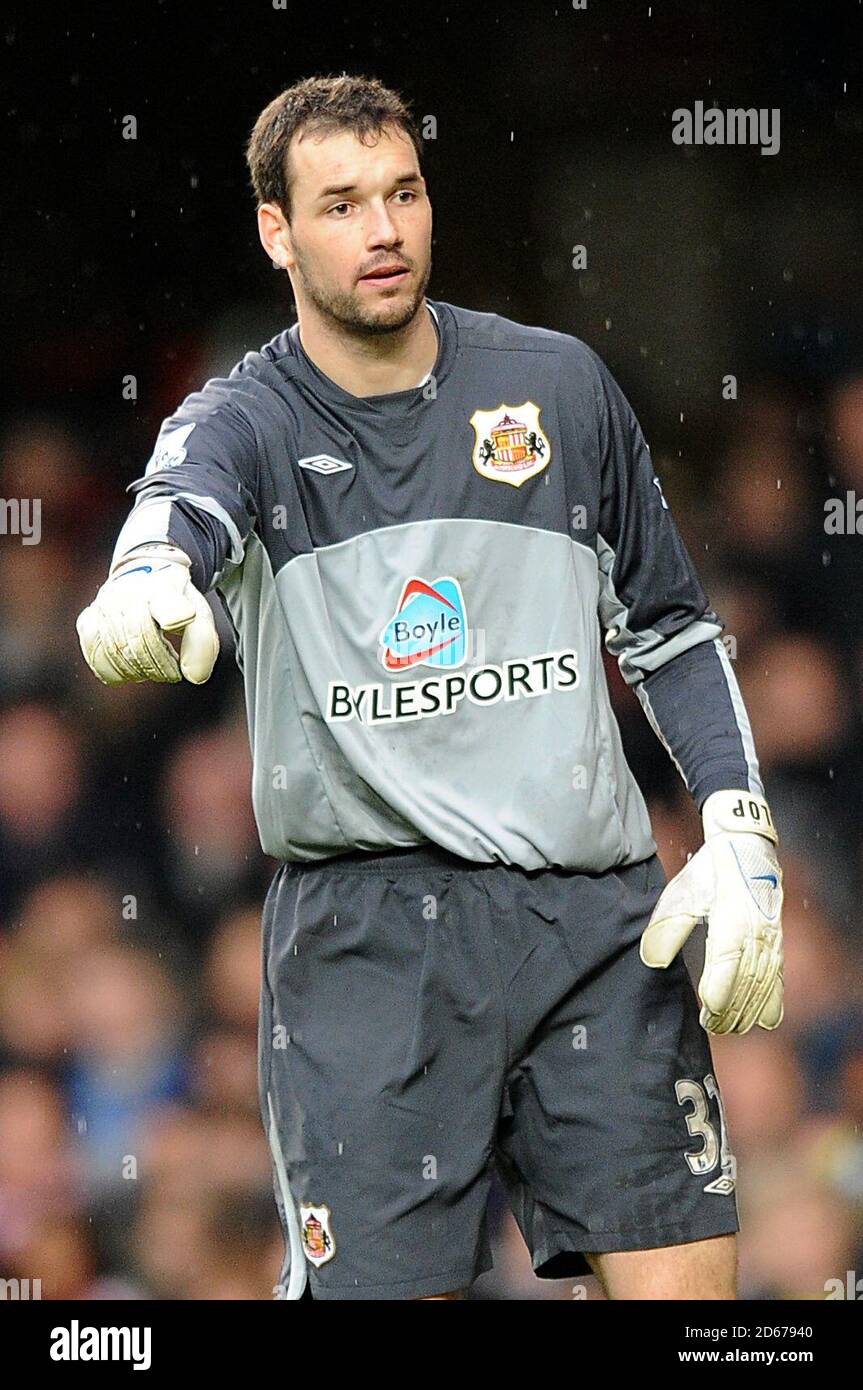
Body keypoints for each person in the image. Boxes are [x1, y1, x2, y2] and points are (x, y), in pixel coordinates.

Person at [76, 73, 784, 1301]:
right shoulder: (237, 420)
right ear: (275, 231)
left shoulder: (557, 385)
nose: (384, 229)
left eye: (401, 192)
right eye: (341, 203)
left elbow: (667, 621)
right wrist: (148, 576)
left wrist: (735, 819)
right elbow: (173, 510)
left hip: (591, 925)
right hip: (365, 945)